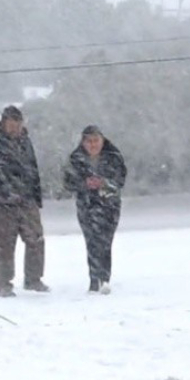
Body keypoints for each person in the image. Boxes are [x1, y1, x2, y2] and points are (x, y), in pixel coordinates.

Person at [0, 105, 48, 298]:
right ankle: (4, 284)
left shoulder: (25, 141)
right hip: (1, 205)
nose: (15, 126)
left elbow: (32, 169)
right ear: (3, 123)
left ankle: (34, 279)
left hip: (27, 201)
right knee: (5, 245)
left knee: (36, 240)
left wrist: (35, 196)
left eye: (18, 122)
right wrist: (6, 194)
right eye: (11, 122)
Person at [62, 125, 127, 294]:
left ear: (102, 140)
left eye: (96, 140)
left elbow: (120, 179)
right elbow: (68, 182)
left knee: (105, 241)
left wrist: (104, 183)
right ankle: (94, 279)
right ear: (83, 142)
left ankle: (104, 278)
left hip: (109, 205)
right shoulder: (75, 158)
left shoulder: (113, 156)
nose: (93, 145)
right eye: (89, 141)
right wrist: (84, 184)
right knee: (91, 241)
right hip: (87, 205)